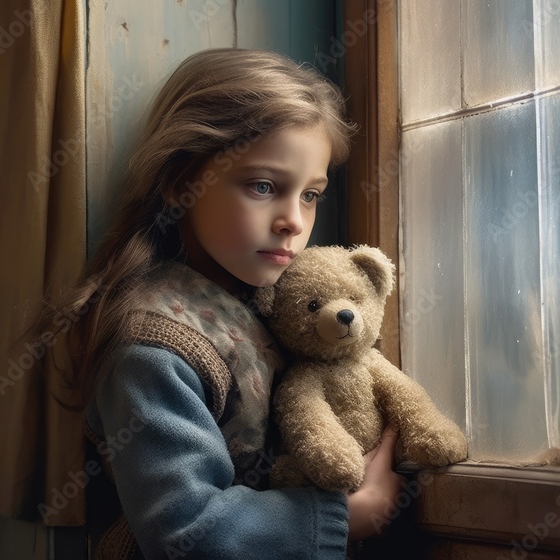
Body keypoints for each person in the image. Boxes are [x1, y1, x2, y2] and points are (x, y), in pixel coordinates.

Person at [37, 48, 403, 559]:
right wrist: (347, 516)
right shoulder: (152, 346)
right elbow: (185, 528)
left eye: (310, 195)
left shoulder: (279, 307)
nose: (294, 221)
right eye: (263, 186)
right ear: (180, 183)